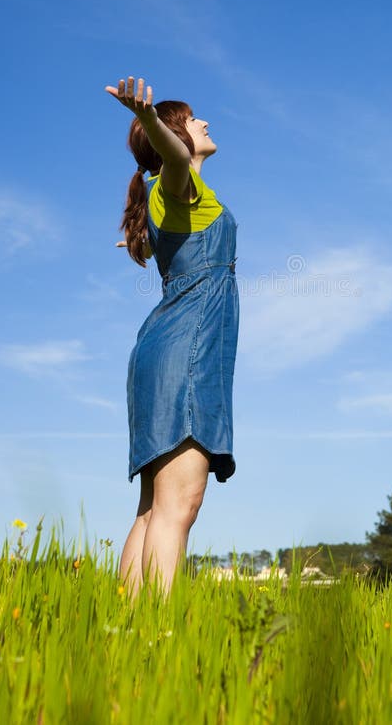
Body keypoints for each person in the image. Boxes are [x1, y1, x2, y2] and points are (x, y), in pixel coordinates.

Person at [105, 76, 240, 600]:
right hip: (186, 352)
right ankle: (160, 636)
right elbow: (176, 162)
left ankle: (126, 631)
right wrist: (150, 120)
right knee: (178, 507)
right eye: (193, 119)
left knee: (153, 509)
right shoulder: (176, 183)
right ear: (175, 136)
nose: (205, 122)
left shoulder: (177, 198)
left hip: (163, 350)